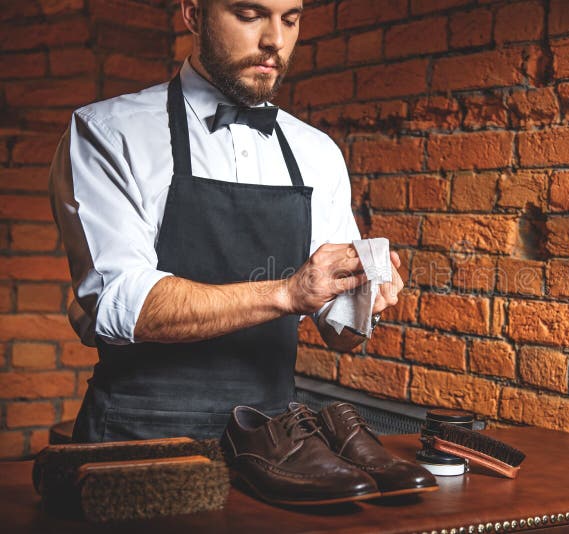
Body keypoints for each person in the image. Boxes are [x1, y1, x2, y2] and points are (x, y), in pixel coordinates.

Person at [49, 0, 404, 443]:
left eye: (290, 20)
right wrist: (286, 293)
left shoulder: (318, 153)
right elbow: (120, 302)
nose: (275, 39)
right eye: (250, 15)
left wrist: (365, 297)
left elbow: (340, 332)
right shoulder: (108, 132)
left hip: (275, 443)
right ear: (193, 14)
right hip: (137, 437)